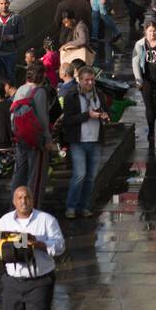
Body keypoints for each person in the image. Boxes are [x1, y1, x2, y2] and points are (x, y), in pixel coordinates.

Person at [61, 66, 110, 220]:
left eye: (92, 80)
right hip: (78, 141)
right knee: (80, 174)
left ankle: (84, 206)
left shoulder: (99, 95)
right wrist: (86, 115)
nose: (90, 83)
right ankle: (71, 206)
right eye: (86, 80)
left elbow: (107, 111)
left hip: (95, 140)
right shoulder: (72, 96)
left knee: (91, 176)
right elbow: (67, 120)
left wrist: (105, 115)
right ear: (79, 80)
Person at [8, 65, 51, 202]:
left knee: (19, 174)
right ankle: (34, 207)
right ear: (42, 76)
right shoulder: (39, 92)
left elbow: (12, 115)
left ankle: (15, 206)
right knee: (36, 176)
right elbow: (43, 119)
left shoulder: (20, 89)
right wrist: (47, 139)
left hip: (21, 138)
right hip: (35, 140)